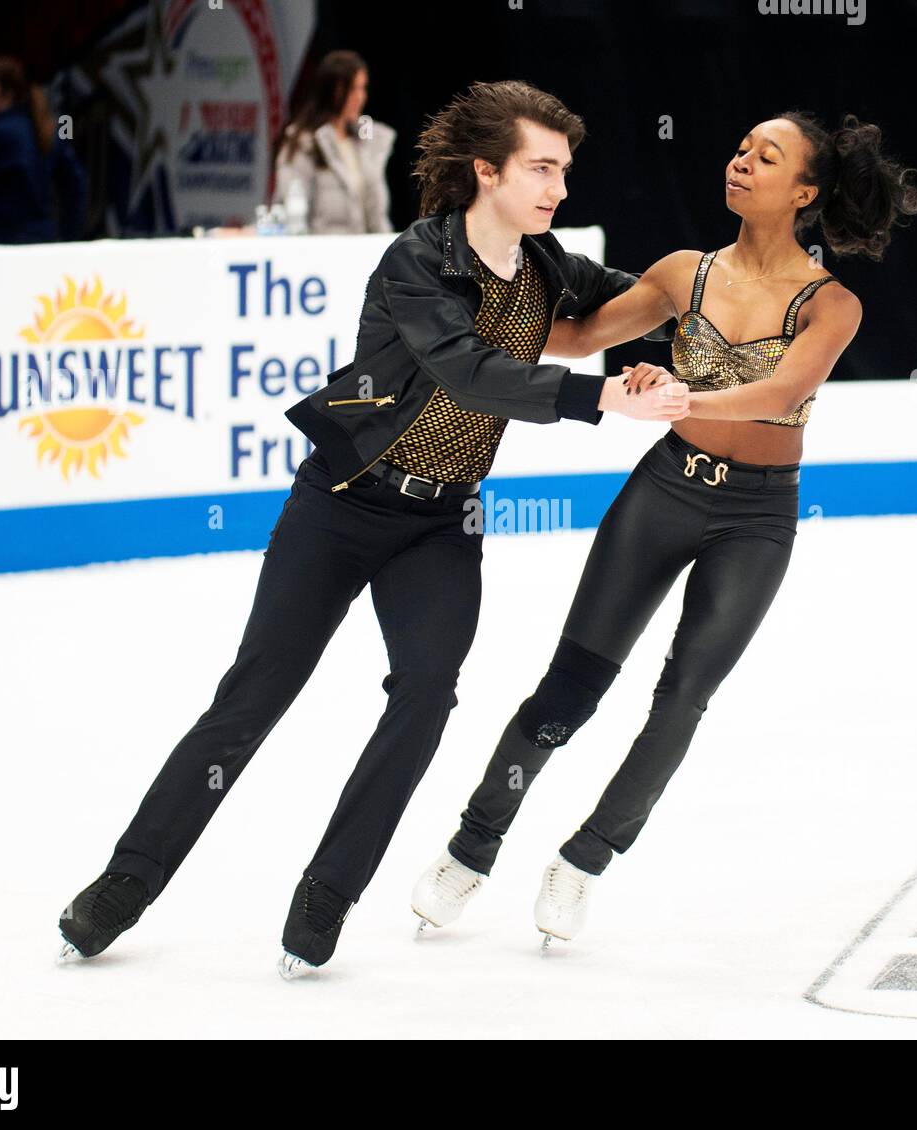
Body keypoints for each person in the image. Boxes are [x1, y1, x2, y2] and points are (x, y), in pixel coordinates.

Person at [57, 80, 686, 976]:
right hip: (342, 503)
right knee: (253, 699)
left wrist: (709, 300)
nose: (558, 187)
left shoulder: (547, 268)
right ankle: (127, 882)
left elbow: (637, 299)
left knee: (427, 696)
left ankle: (328, 894)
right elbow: (469, 372)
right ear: (486, 171)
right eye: (541, 168)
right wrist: (599, 398)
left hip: (441, 521)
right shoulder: (416, 261)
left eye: (563, 170)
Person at [412, 111, 917, 946]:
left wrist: (673, 395)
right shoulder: (683, 273)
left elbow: (778, 392)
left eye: (767, 157)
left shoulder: (835, 306)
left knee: (682, 700)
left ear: (804, 191)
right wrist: (487, 288)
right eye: (739, 147)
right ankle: (472, 846)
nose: (741, 161)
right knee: (569, 688)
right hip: (666, 492)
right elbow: (577, 337)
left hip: (757, 516)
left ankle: (584, 860)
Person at [0, 56, 85, 244]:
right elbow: (76, 182)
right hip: (42, 239)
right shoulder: (47, 128)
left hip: (0, 241)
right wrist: (70, 235)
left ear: (7, 92)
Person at [272, 50, 394, 234]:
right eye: (353, 88)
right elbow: (291, 210)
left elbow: (376, 213)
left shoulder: (365, 142)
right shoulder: (304, 143)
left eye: (363, 88)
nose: (360, 97)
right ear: (334, 90)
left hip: (363, 254)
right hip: (320, 255)